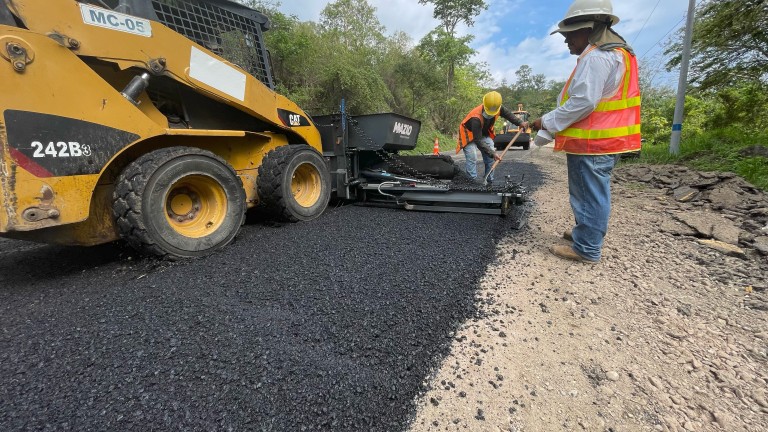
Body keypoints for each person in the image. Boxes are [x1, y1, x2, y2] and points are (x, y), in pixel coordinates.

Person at [531, 0, 641, 263]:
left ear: (589, 29)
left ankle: (587, 248)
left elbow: (583, 102)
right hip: (601, 142)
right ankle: (586, 233)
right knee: (586, 192)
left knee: (589, 194)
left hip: (594, 143)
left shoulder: (598, 57)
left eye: (571, 34)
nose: (566, 40)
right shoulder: (616, 54)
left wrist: (545, 121)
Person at [456, 91, 529, 183]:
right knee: (472, 157)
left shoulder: (498, 108)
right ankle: (471, 181)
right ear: (484, 105)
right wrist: (492, 153)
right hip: (469, 134)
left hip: (483, 132)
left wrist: (520, 122)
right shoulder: (475, 118)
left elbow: (509, 115)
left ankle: (489, 180)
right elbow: (478, 140)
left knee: (490, 155)